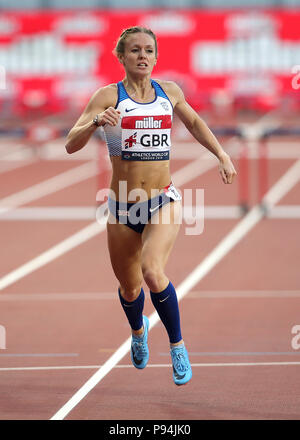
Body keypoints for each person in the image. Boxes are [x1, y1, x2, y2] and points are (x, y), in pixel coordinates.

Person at [65, 26, 237, 386]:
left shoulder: (168, 92)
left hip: (162, 199)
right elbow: (70, 143)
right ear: (122, 57)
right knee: (130, 290)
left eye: (148, 50)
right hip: (122, 207)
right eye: (134, 50)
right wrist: (97, 123)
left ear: (156, 58)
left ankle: (177, 346)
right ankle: (138, 331)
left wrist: (220, 154)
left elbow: (192, 121)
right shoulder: (107, 96)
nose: (142, 56)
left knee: (152, 272)